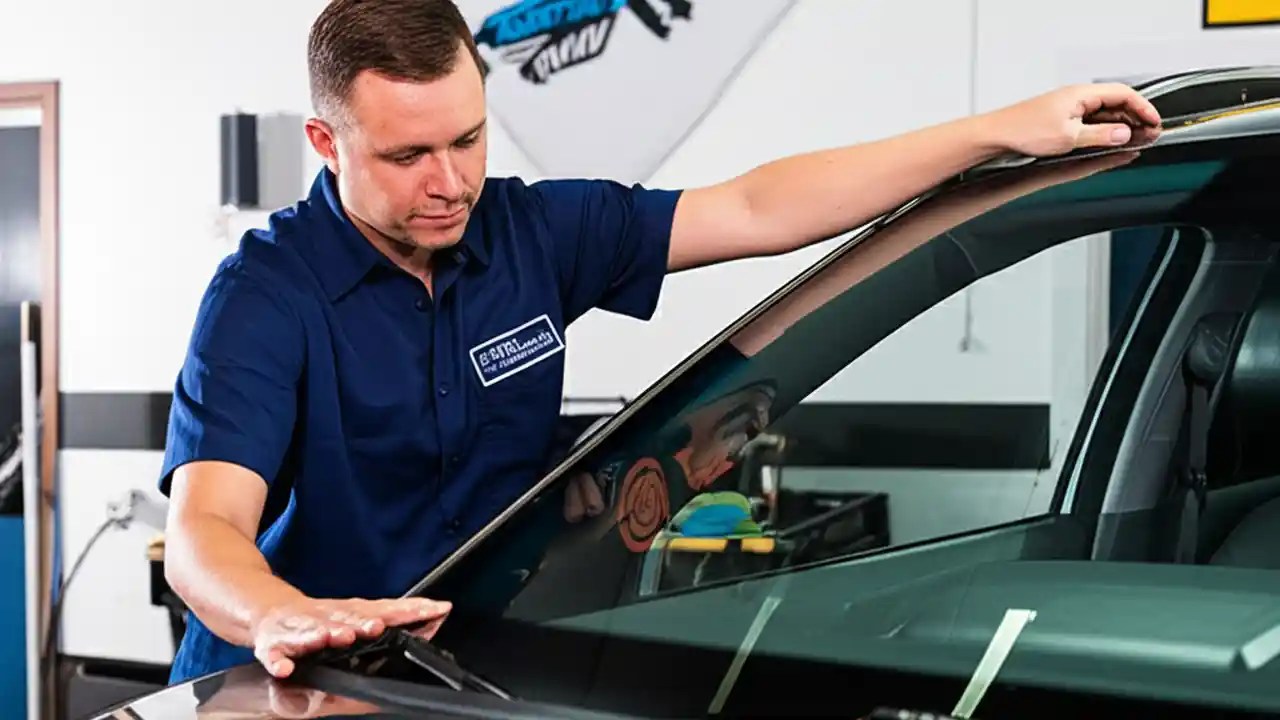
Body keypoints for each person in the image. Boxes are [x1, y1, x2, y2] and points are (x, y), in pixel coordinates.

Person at [157, 0, 1162, 686]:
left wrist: (996, 130)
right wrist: (280, 615)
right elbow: (206, 536)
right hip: (284, 682)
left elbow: (758, 205)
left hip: (459, 678)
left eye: (466, 140)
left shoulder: (533, 236)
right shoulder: (264, 296)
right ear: (327, 145)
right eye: (408, 154)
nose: (450, 181)